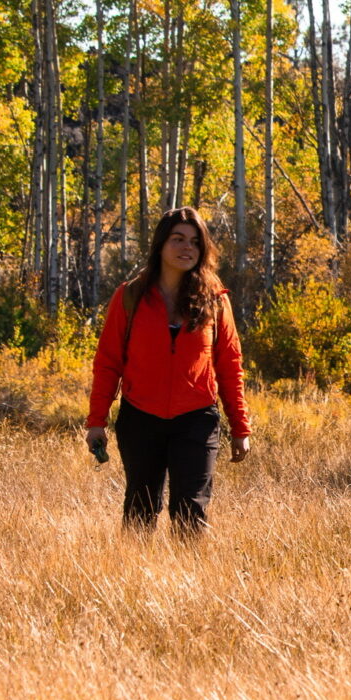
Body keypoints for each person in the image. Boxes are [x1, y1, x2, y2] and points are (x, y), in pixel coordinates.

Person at [84, 207, 252, 533]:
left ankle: (190, 582)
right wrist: (96, 421)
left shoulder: (215, 299)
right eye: (177, 239)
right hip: (140, 418)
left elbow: (230, 365)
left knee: (191, 512)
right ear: (161, 244)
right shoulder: (130, 296)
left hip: (197, 419)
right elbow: (107, 363)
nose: (186, 248)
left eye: (194, 242)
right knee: (140, 508)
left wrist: (240, 427)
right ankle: (133, 579)